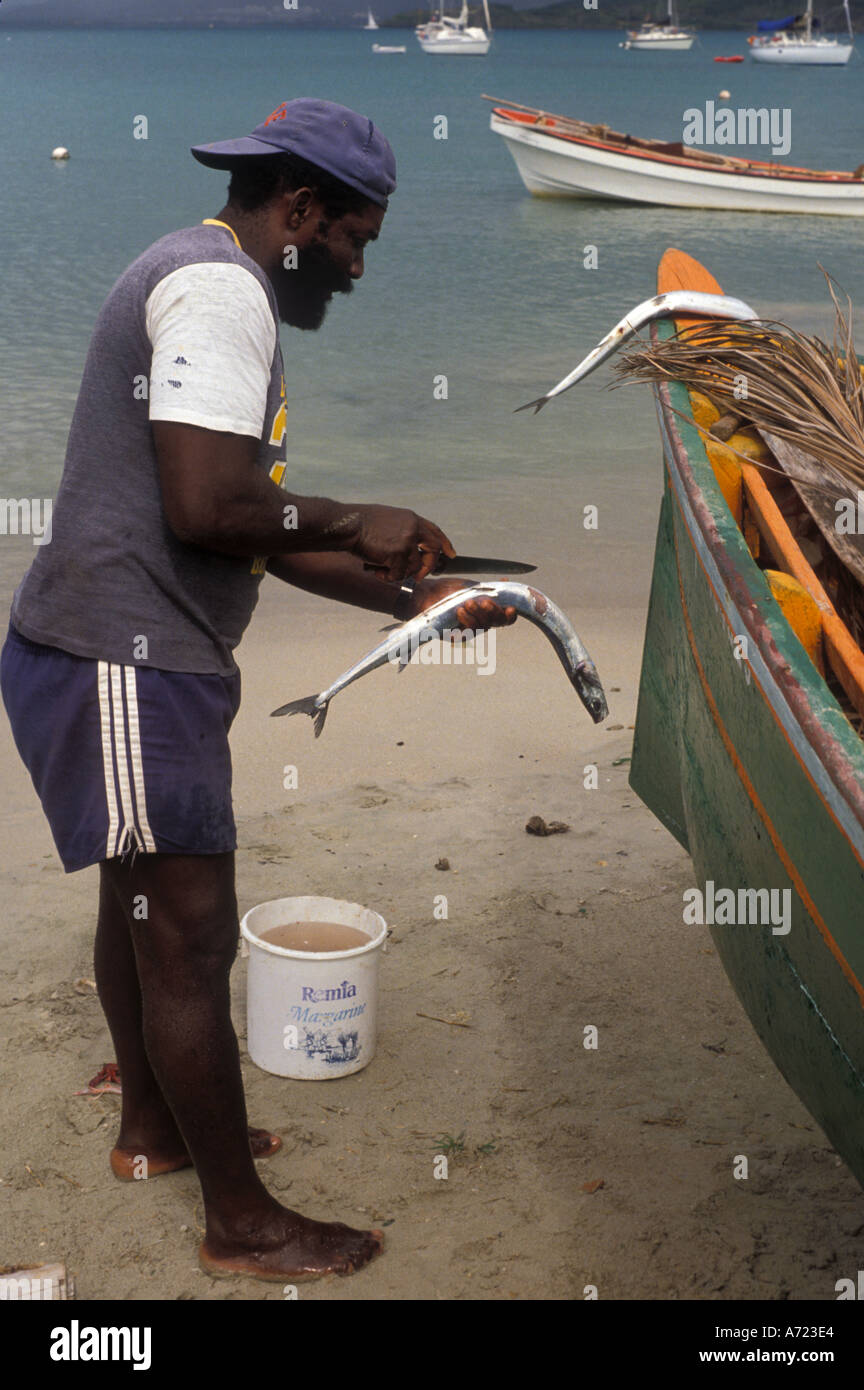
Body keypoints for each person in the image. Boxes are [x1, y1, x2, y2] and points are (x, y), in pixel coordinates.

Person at [0, 98, 515, 1283]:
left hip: (108, 652)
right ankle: (240, 1222)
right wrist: (355, 510)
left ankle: (153, 1130)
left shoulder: (202, 279)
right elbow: (207, 505)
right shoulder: (221, 293)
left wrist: (414, 598)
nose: (357, 267)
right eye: (354, 239)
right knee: (184, 932)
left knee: (142, 902)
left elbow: (253, 532)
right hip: (119, 657)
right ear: (298, 209)